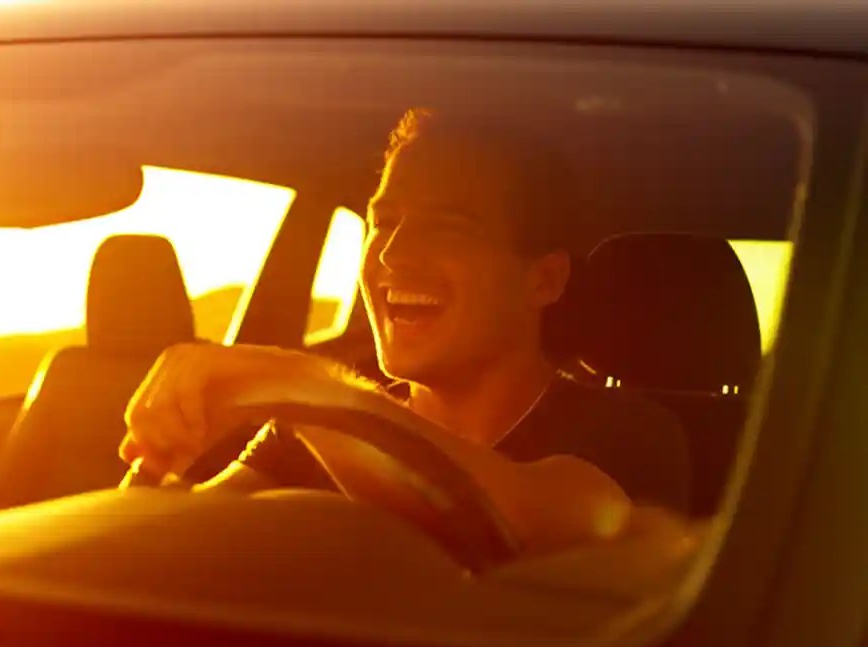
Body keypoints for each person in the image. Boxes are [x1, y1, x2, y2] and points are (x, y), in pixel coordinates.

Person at [119, 108, 693, 557]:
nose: (392, 254)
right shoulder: (312, 432)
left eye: (447, 227)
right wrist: (152, 479)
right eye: (384, 223)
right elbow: (177, 546)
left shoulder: (629, 434)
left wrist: (303, 387)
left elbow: (532, 527)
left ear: (542, 280)